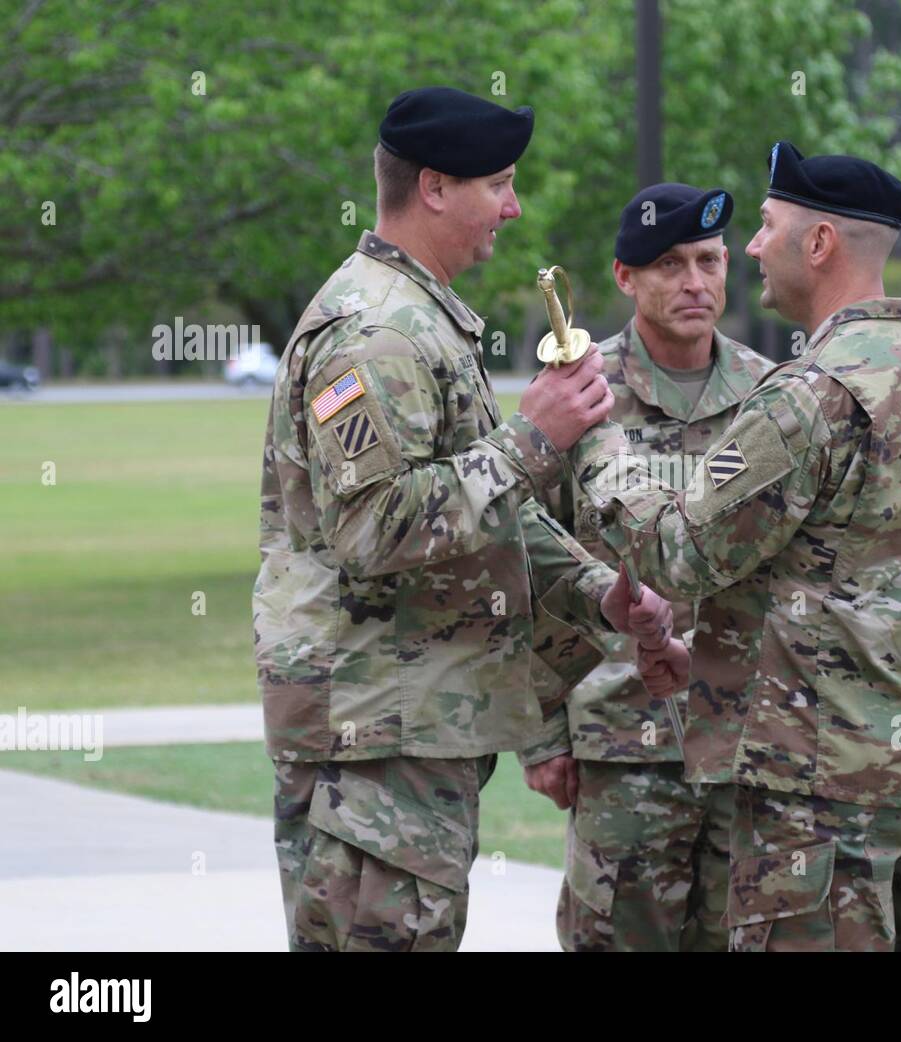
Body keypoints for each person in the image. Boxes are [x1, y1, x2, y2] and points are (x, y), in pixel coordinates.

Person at [569, 141, 901, 951]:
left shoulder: (808, 397)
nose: (750, 249)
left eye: (765, 226)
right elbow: (871, 585)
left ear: (817, 245)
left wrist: (598, 446)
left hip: (828, 803)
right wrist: (718, 658)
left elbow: (678, 550)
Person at [253, 86, 678, 952]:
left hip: (408, 725)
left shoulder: (423, 320)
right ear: (437, 186)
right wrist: (533, 438)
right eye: (501, 184)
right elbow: (375, 532)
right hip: (372, 735)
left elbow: (479, 515)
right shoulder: (376, 331)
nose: (513, 208)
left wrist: (601, 594)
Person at [518, 182, 773, 951]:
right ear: (626, 278)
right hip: (620, 742)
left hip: (746, 741)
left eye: (708, 260)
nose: (694, 283)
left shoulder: (774, 395)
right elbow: (527, 560)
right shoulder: (579, 399)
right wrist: (540, 735)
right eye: (668, 265)